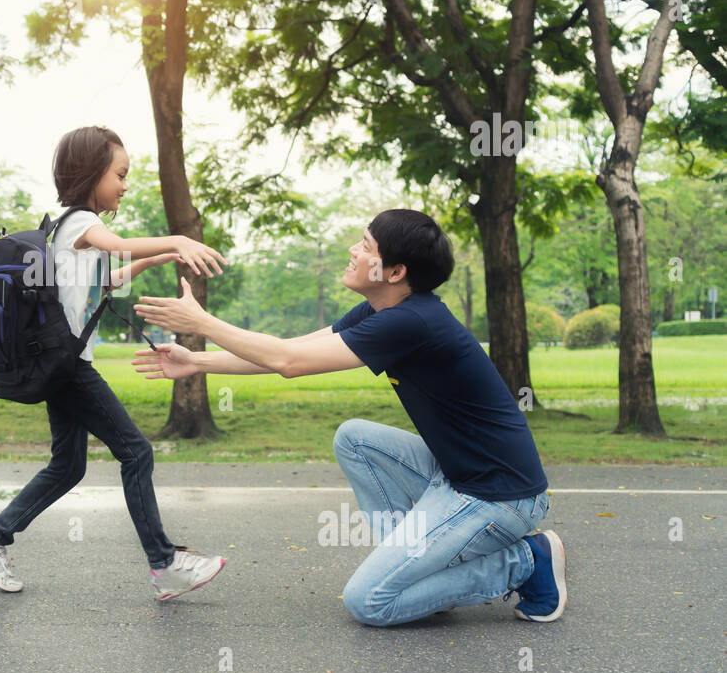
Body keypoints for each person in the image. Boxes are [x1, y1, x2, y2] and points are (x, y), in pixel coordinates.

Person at [131, 208, 566, 626]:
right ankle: (419, 574)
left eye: (366, 245)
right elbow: (292, 349)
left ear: (395, 272)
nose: (353, 251)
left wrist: (202, 322)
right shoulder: (384, 311)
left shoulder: (412, 322)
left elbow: (288, 361)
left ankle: (526, 562)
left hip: (498, 498)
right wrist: (197, 362)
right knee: (355, 437)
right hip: (455, 476)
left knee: (370, 603)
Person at [0, 126, 228, 601]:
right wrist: (179, 238)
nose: (125, 184)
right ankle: (164, 564)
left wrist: (162, 255)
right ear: (89, 173)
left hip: (59, 363)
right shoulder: (80, 221)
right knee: (136, 452)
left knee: (67, 466)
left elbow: (108, 278)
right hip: (69, 365)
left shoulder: (66, 231)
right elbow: (115, 242)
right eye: (119, 174)